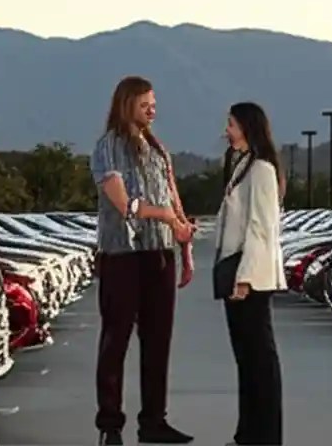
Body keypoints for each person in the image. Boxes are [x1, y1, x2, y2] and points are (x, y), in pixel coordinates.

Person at [90, 76, 196, 446]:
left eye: (154, 102)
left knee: (158, 341)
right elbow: (125, 206)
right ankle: (110, 425)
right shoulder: (108, 147)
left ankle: (154, 421)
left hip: (159, 255)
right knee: (115, 340)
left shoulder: (157, 149)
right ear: (127, 104)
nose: (152, 108)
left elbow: (172, 195)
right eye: (145, 103)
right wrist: (166, 217)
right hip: (121, 256)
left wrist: (184, 246)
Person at [214, 102, 286, 446]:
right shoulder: (241, 165)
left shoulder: (262, 170)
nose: (226, 130)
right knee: (245, 359)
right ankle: (248, 435)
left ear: (246, 126)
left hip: (252, 277)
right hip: (236, 273)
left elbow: (261, 228)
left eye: (230, 124)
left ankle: (267, 437)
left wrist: (244, 277)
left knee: (260, 358)